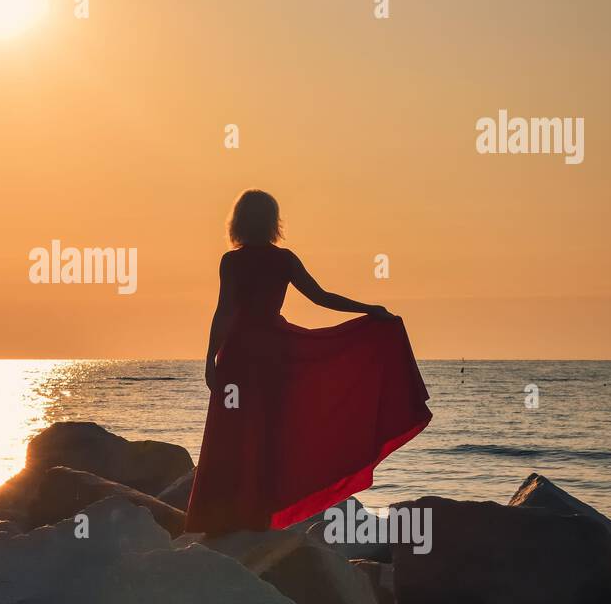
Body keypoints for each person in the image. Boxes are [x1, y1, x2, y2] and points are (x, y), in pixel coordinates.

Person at [184, 189, 432, 535]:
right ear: (273, 222)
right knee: (271, 431)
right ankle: (257, 515)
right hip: (272, 352)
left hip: (239, 354)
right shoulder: (282, 259)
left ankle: (221, 517)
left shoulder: (232, 260)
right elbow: (321, 297)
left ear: (238, 221)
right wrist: (368, 309)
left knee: (233, 433)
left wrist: (209, 357)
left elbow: (224, 311)